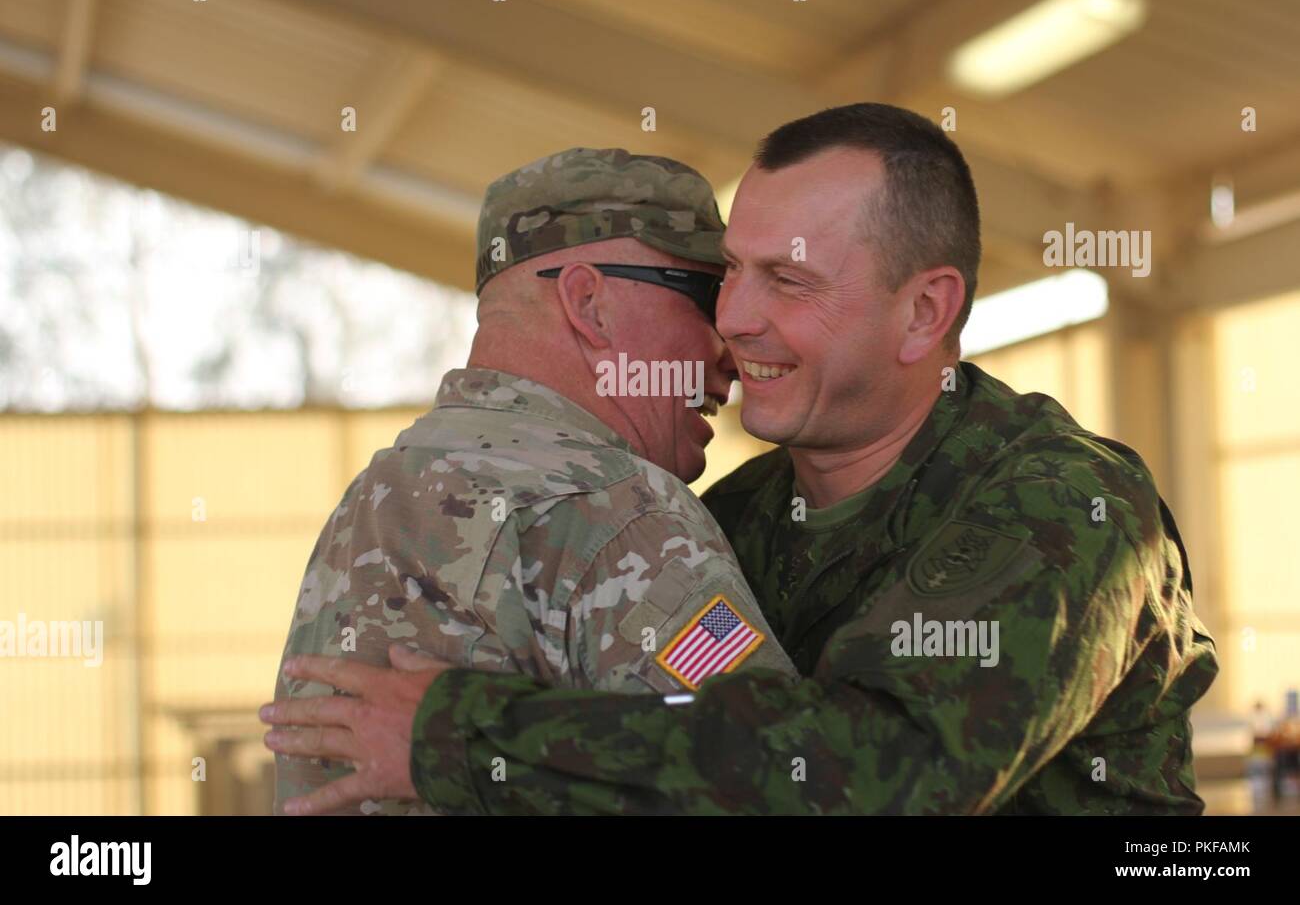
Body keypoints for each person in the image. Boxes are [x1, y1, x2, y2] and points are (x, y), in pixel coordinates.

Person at [263, 104, 1219, 815]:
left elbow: (887, 776)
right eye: (725, 275)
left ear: (924, 311)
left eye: (786, 281)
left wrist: (454, 734)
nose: (733, 321)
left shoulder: (1061, 506)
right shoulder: (736, 512)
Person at [270, 146, 796, 814]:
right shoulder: (612, 508)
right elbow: (785, 781)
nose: (729, 351)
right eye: (706, 298)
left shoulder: (376, 498)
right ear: (589, 303)